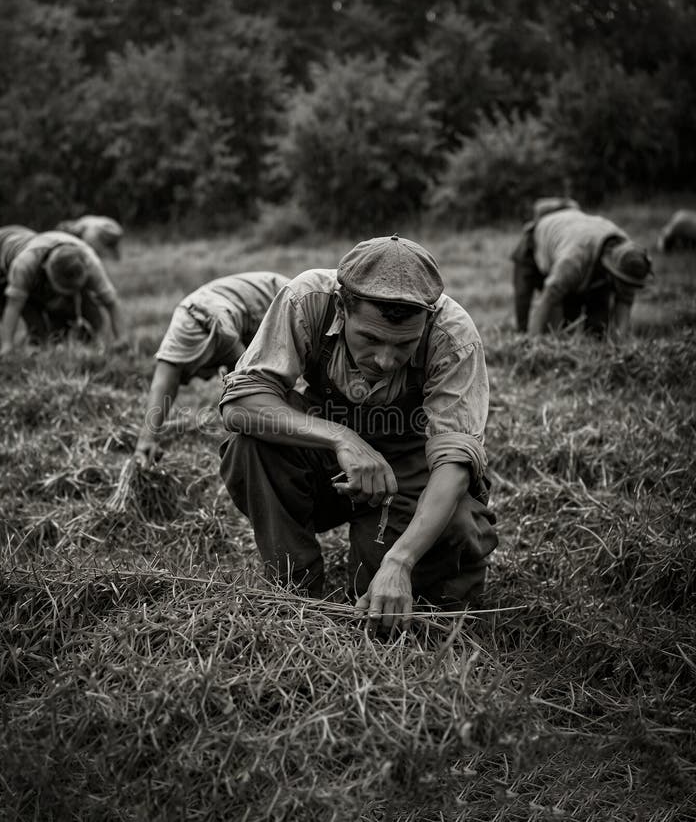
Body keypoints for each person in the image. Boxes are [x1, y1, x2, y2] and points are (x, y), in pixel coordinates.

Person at [218, 235, 498, 634]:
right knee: (250, 443)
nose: (385, 360)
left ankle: (389, 557)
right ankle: (293, 591)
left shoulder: (452, 336)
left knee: (386, 608)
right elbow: (240, 404)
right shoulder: (306, 299)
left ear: (427, 319)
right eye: (369, 338)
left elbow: (454, 460)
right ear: (341, 307)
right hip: (330, 460)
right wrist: (342, 439)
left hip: (411, 471)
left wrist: (400, 561)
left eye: (404, 345)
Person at [133, 271, 289, 468]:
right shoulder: (190, 332)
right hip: (255, 304)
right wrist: (146, 439)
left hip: (280, 299)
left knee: (263, 394)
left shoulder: (198, 331)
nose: (205, 379)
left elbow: (250, 387)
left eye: (196, 374)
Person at [511, 205, 652, 339]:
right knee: (528, 314)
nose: (626, 288)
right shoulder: (573, 261)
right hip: (539, 241)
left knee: (597, 328)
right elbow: (545, 300)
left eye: (629, 284)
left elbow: (624, 308)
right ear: (612, 272)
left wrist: (620, 348)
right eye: (623, 283)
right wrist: (531, 344)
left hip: (579, 244)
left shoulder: (628, 257)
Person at [0, 230, 128, 359]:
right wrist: (6, 345)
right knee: (37, 324)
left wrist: (122, 338)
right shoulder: (25, 264)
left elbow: (112, 302)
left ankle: (90, 341)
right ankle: (39, 341)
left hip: (57, 256)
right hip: (10, 263)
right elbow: (13, 306)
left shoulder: (91, 263)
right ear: (47, 271)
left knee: (89, 315)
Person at [56, 215, 124, 261]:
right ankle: (114, 257)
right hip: (116, 228)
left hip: (106, 229)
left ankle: (111, 257)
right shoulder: (85, 220)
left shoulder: (82, 224)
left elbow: (77, 229)